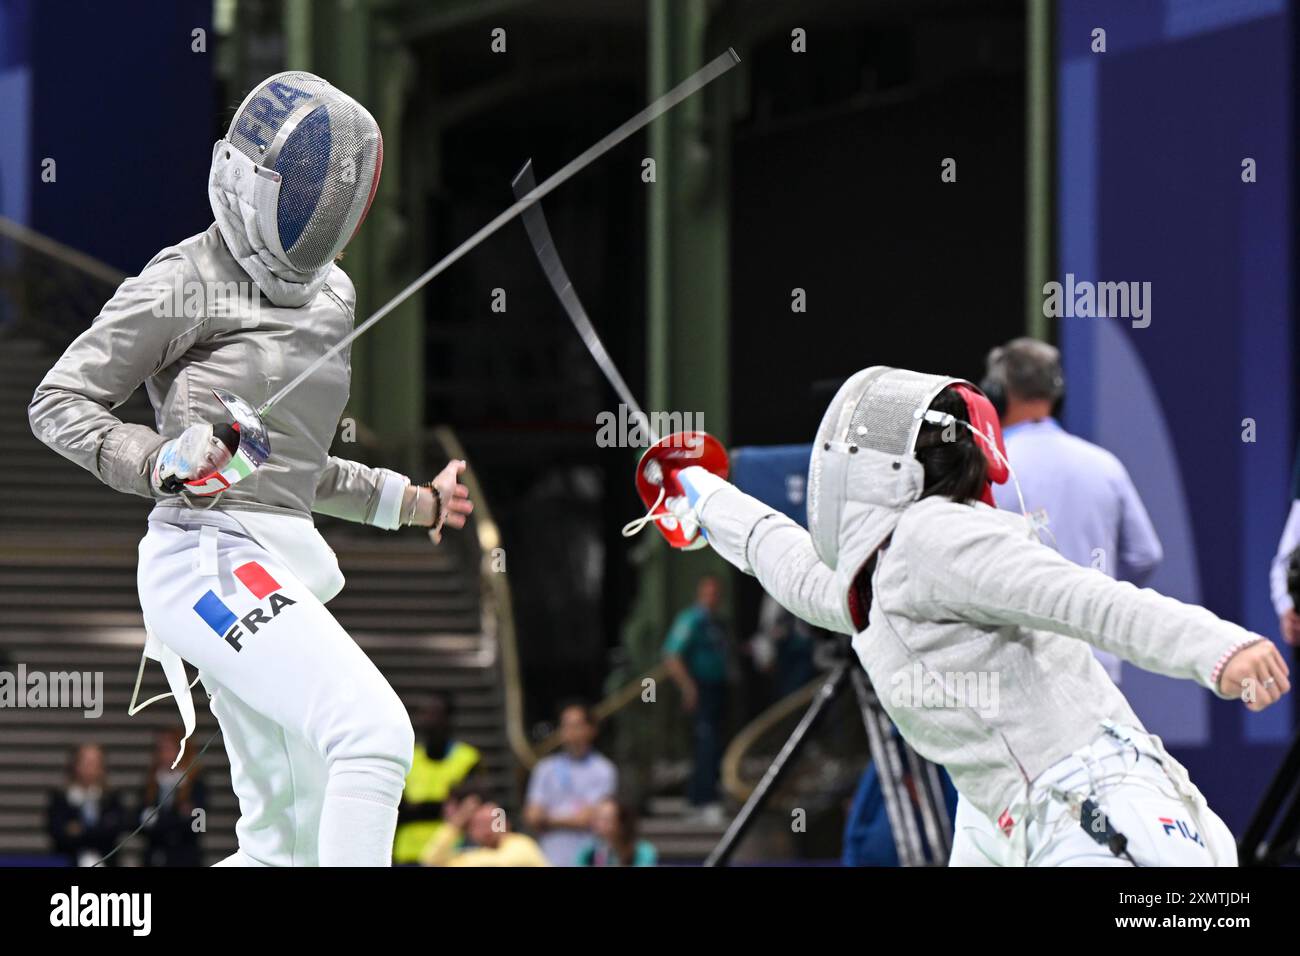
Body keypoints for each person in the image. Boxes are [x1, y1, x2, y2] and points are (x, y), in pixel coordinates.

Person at [28, 72, 474, 867]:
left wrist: (417, 502)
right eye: (303, 189)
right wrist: (158, 458)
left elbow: (298, 471)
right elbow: (58, 400)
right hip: (206, 555)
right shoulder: (183, 281)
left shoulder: (332, 296)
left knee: (286, 850)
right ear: (247, 178)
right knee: (372, 734)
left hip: (279, 557)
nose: (319, 212)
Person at [664, 366, 1289, 866]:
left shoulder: (939, 536)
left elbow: (1088, 598)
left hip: (1097, 808)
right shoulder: (870, 574)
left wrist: (1218, 647)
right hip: (1004, 812)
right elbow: (783, 558)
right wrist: (699, 491)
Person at [983, 338, 1162, 681]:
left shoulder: (989, 467)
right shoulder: (1105, 466)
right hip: (1096, 655)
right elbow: (1145, 554)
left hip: (1016, 657)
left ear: (996, 392)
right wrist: (1096, 593)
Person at [663, 575, 729, 818]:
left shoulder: (718, 623)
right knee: (705, 742)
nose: (712, 599)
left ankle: (708, 794)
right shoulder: (691, 620)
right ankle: (701, 800)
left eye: (716, 594)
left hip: (718, 687)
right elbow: (671, 655)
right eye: (708, 594)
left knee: (716, 743)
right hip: (701, 689)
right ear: (700, 595)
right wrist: (688, 687)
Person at [523, 701, 617, 865]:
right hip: (549, 858)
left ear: (591, 730)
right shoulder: (545, 768)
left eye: (576, 726)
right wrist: (571, 819)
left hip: (588, 858)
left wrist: (547, 820)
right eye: (565, 726)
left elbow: (588, 819)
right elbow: (532, 816)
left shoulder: (604, 770)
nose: (569, 732)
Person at [393, 692, 480, 864]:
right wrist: (443, 807)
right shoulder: (409, 758)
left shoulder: (467, 758)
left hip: (450, 854)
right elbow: (399, 809)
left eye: (435, 714)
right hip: (408, 854)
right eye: (424, 714)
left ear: (449, 719)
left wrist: (417, 808)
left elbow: (470, 808)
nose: (428, 721)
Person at [47, 744, 127, 867]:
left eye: (94, 762)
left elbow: (113, 832)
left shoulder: (111, 799)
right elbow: (57, 833)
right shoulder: (60, 798)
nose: (90, 767)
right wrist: (98, 829)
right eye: (86, 762)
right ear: (75, 765)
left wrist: (79, 830)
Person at [140, 729, 207, 867]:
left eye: (170, 749)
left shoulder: (196, 784)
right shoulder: (150, 783)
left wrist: (157, 820)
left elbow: (198, 825)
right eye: (162, 750)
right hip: (155, 858)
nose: (166, 755)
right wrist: (180, 817)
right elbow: (139, 822)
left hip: (186, 858)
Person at [421, 795, 548, 867]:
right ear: (471, 831)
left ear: (506, 824)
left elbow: (504, 863)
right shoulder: (472, 854)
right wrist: (458, 821)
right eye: (481, 824)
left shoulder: (521, 844)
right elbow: (431, 860)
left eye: (493, 822)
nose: (488, 828)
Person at [575, 798, 657, 866]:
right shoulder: (588, 853)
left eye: (606, 819)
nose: (598, 823)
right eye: (597, 817)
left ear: (622, 824)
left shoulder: (643, 851)